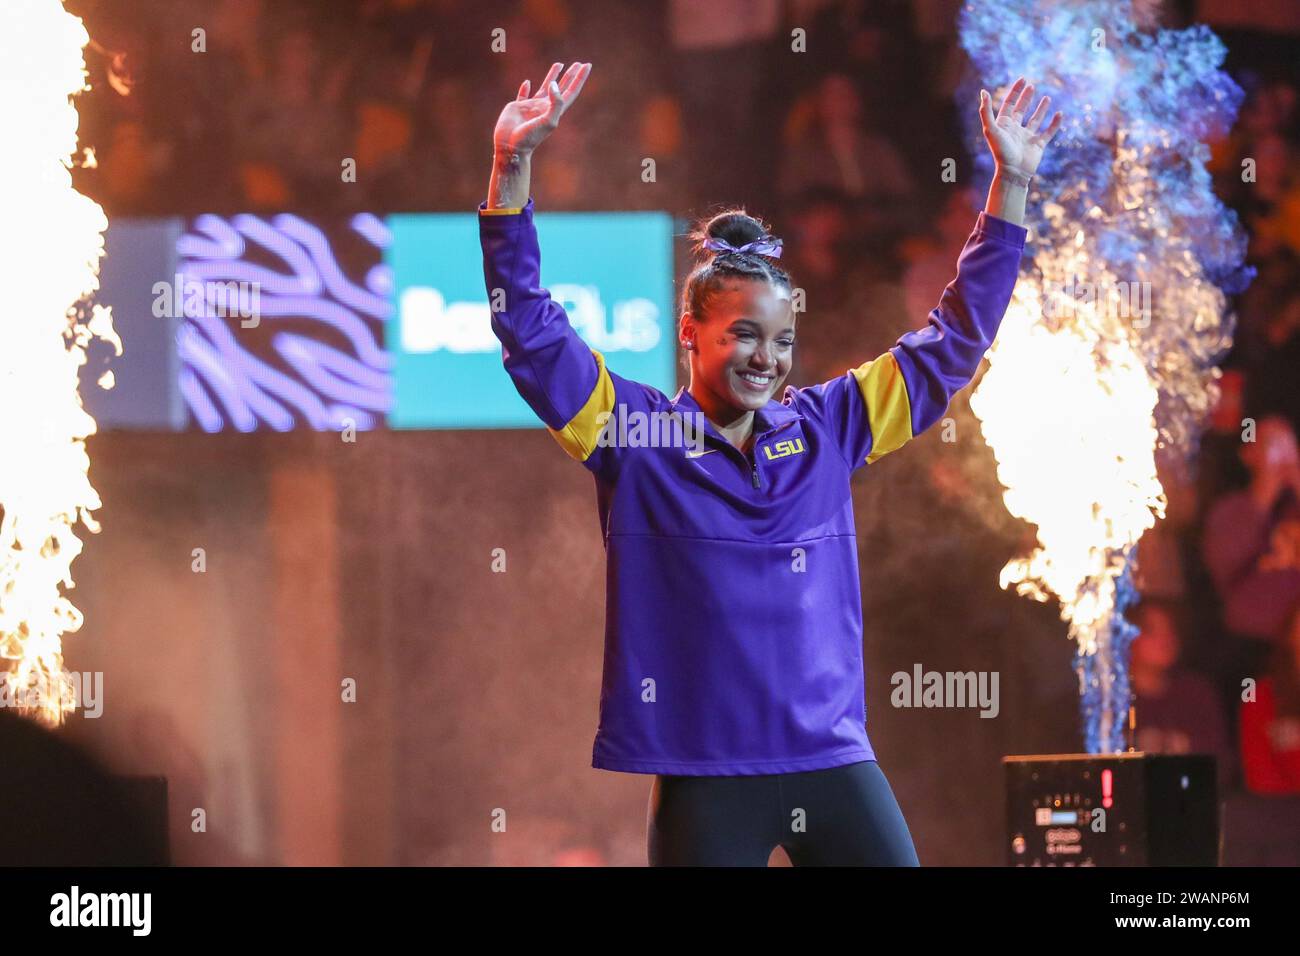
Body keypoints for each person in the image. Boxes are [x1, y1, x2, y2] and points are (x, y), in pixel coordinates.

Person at [478, 63, 1061, 866]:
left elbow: (952, 344)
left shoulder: (828, 427)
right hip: (706, 779)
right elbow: (532, 336)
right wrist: (511, 175)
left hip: (832, 763)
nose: (768, 357)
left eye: (783, 340)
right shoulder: (633, 436)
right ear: (689, 332)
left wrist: (1011, 191)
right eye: (744, 335)